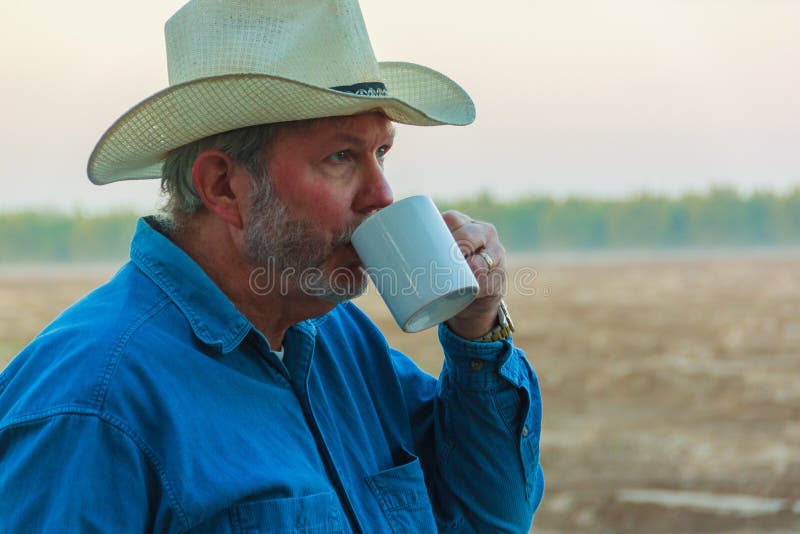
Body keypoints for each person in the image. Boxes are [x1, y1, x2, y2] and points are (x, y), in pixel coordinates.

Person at [0, 0, 544, 532]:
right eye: (341, 157)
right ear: (223, 186)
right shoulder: (91, 405)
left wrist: (477, 332)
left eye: (381, 154)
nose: (382, 196)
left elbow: (488, 517)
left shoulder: (339, 340)